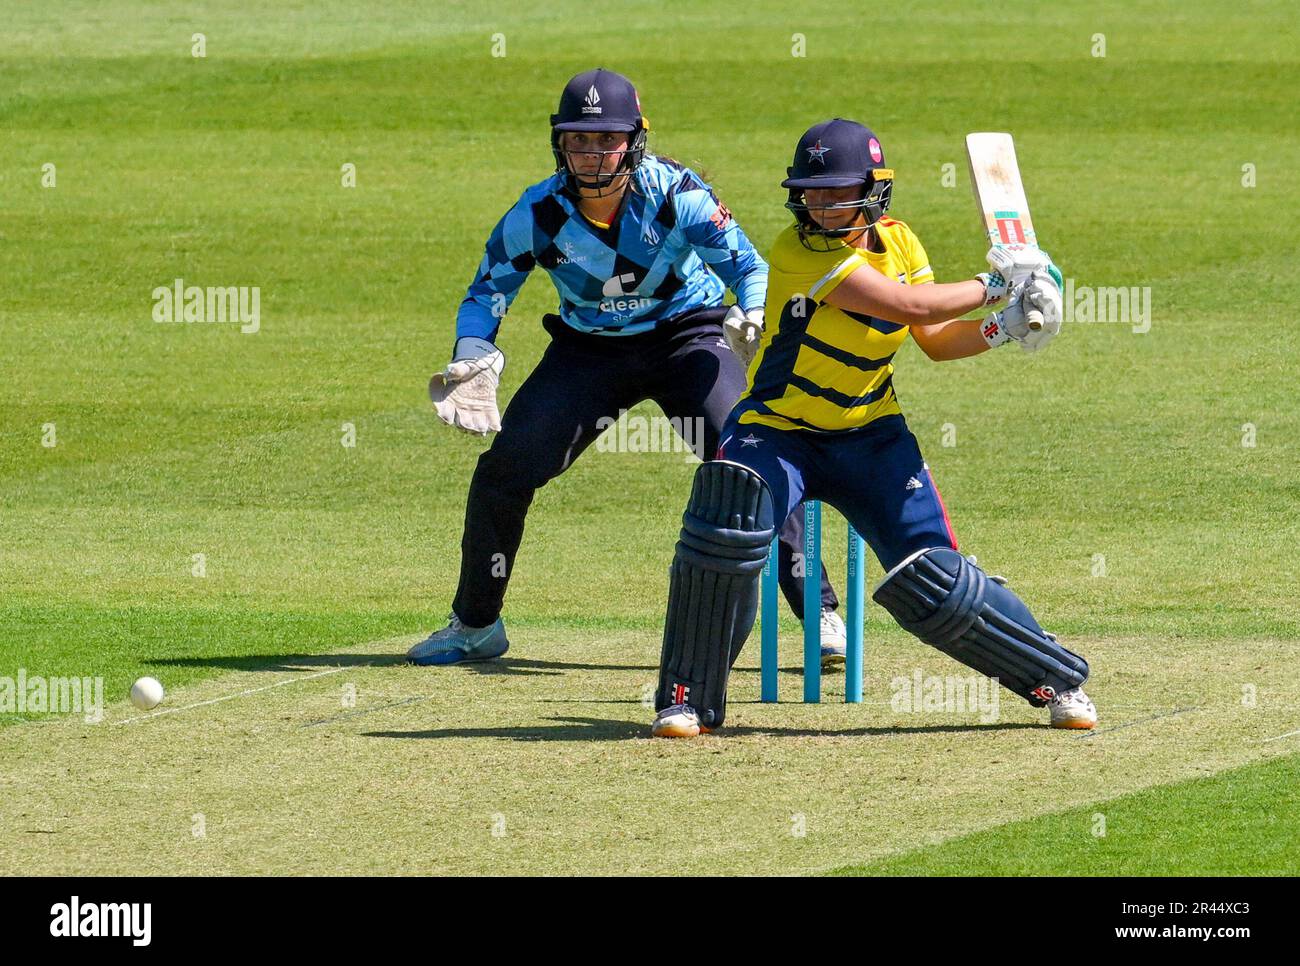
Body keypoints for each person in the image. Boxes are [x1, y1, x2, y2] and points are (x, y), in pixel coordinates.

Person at [651, 118, 1097, 737]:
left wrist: (1009, 326)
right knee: (727, 523)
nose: (823, 205)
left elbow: (935, 340)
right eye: (812, 192)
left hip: (872, 436)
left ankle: (1055, 677)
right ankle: (685, 697)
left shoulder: (901, 242)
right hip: (778, 431)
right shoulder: (799, 251)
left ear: (874, 189)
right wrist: (998, 283)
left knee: (935, 576)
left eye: (837, 193)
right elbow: (906, 306)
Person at [410, 69, 845, 665]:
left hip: (687, 336)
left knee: (751, 460)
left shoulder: (677, 196)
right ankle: (476, 624)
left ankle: (819, 614)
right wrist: (471, 354)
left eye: (606, 140)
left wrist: (749, 313)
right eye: (577, 140)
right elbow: (488, 291)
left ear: (634, 140)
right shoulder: (537, 212)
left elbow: (748, 265)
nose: (591, 155)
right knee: (505, 470)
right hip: (589, 349)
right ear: (559, 143)